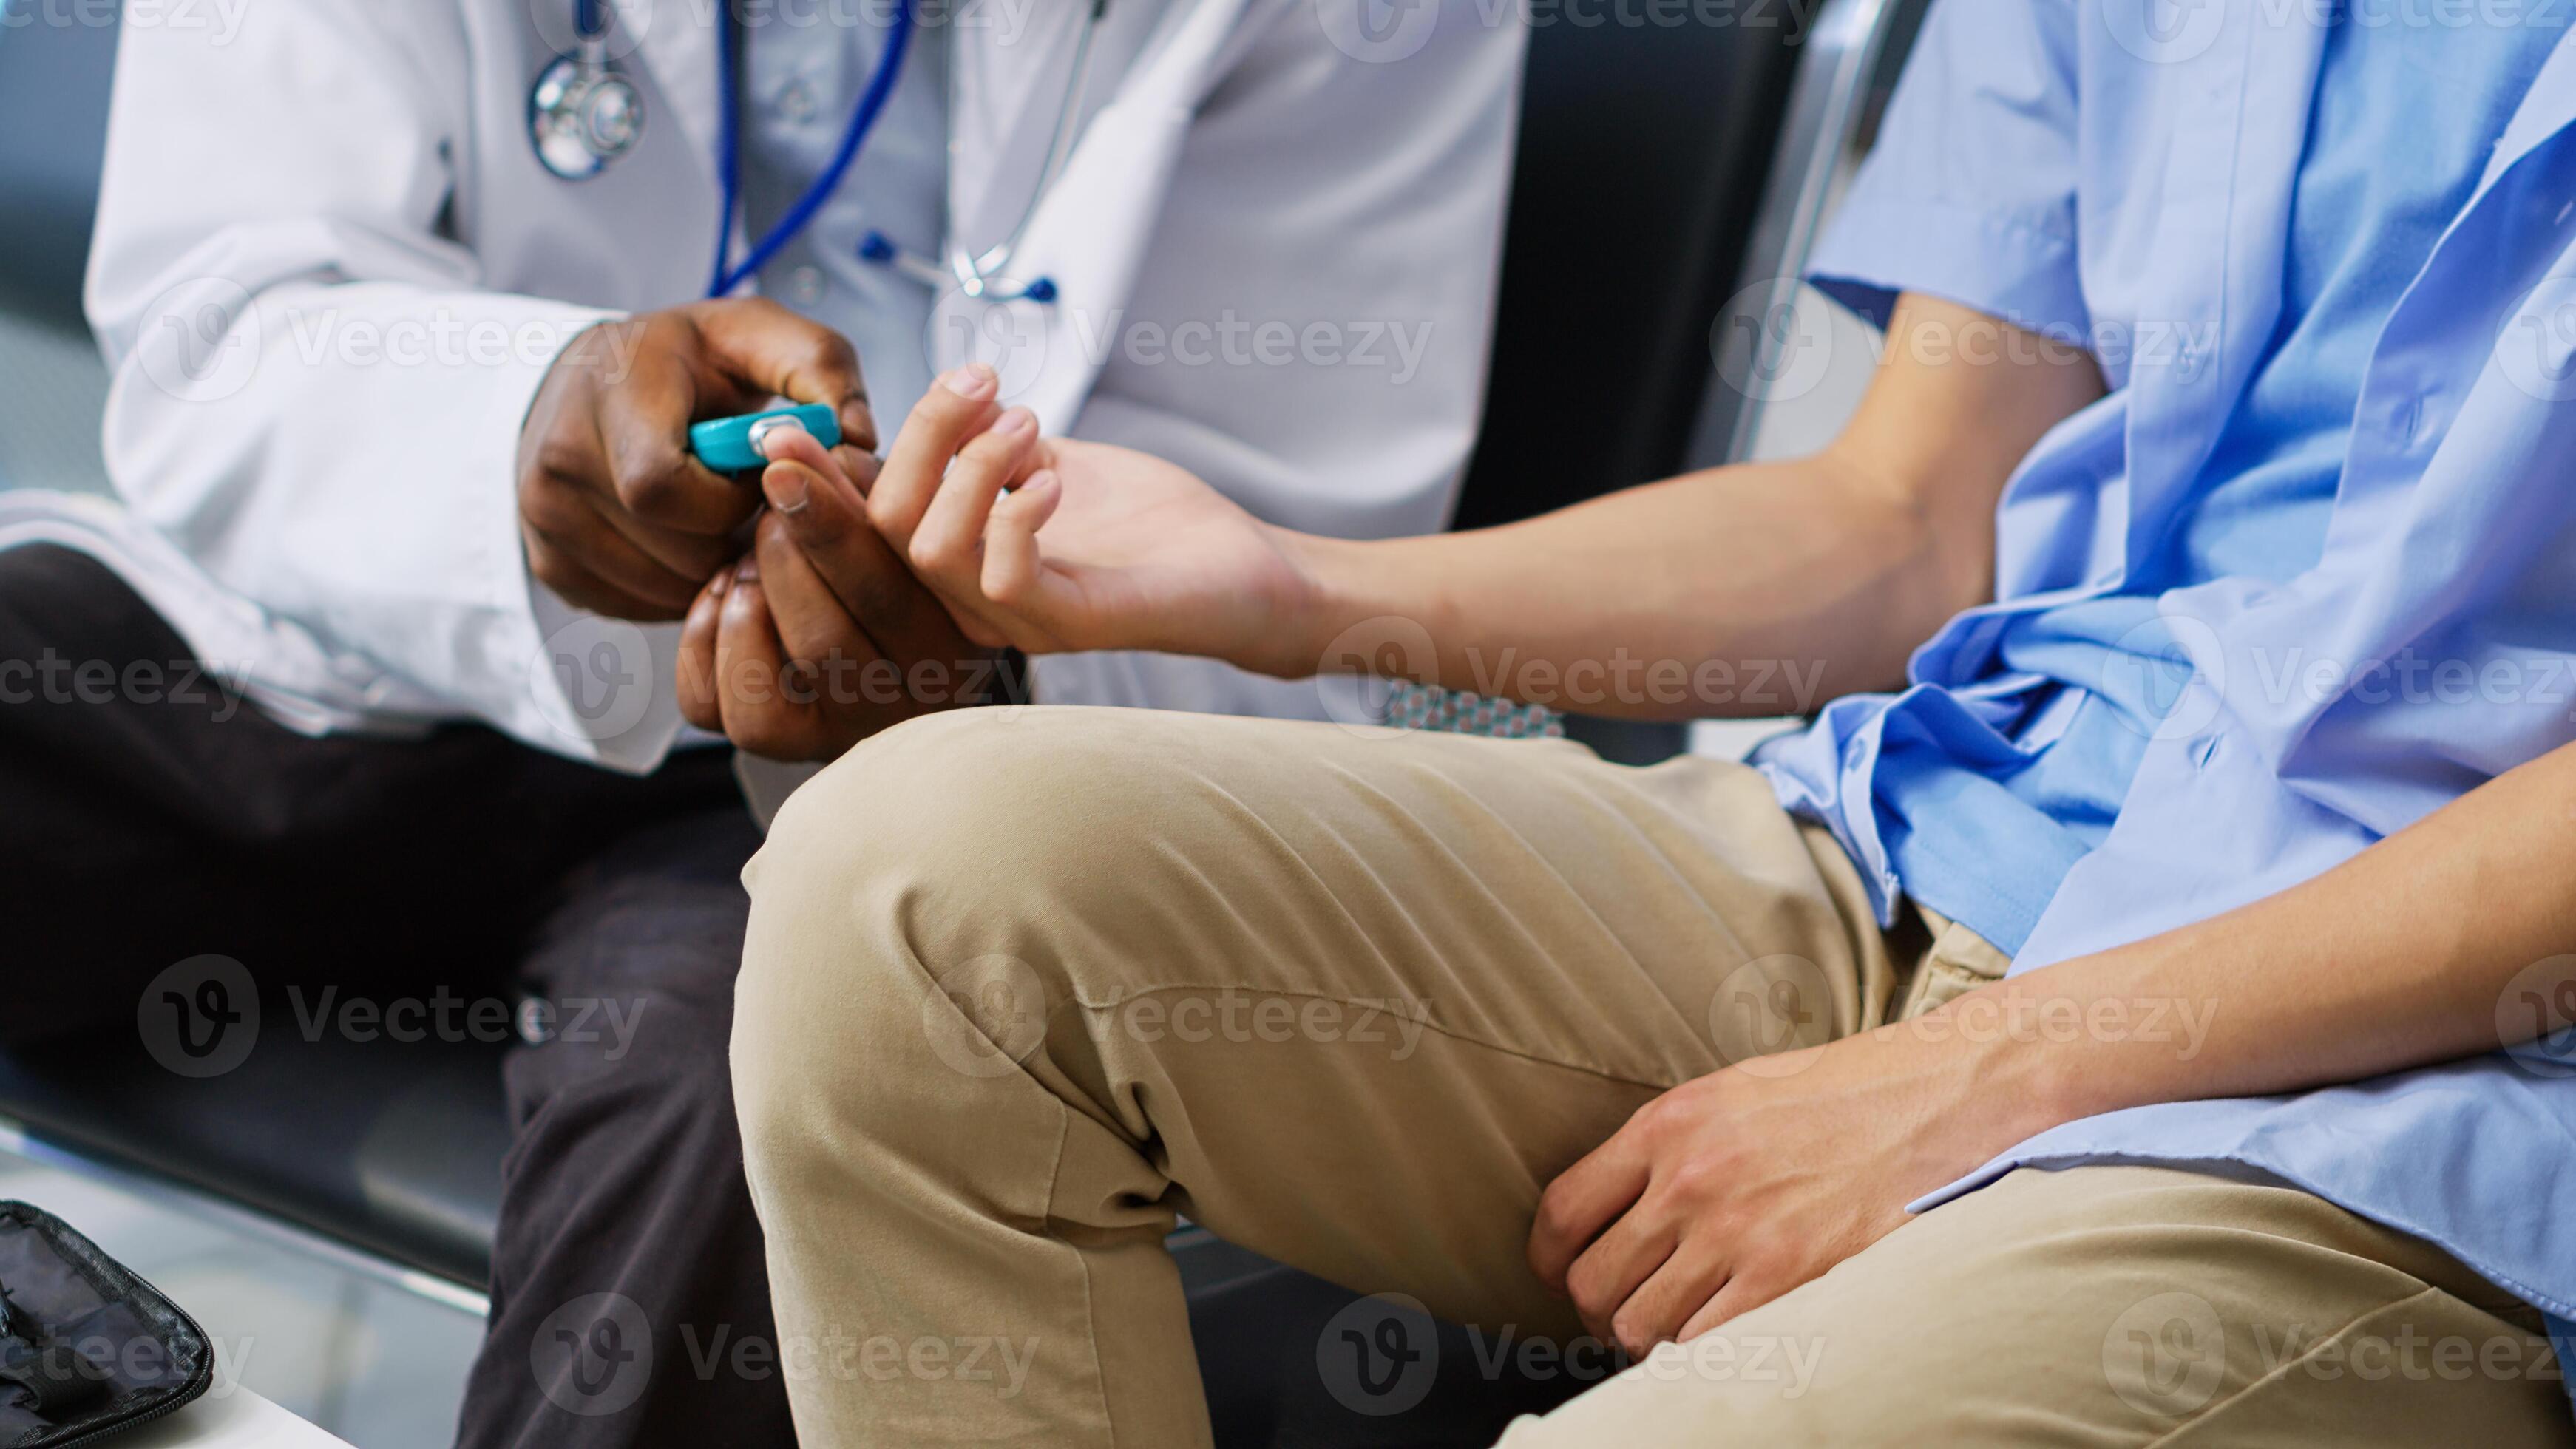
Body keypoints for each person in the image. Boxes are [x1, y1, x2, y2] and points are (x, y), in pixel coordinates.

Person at [726, 4, 2576, 1444]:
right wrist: (1291, 587)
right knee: (910, 896)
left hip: (2414, 1085)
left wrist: (1986, 1073)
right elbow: (1907, 521)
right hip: (1945, 838)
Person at [0, 1, 1521, 1445]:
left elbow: (1289, 581)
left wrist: (978, 672)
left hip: (890, 767)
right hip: (362, 618)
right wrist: (520, 412)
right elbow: (218, 320)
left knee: (796, 1085)